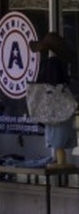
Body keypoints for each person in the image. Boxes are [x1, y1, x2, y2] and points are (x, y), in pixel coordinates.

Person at [30, 34, 77, 166]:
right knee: (59, 138)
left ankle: (60, 163)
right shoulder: (62, 64)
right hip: (62, 109)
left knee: (57, 138)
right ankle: (61, 161)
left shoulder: (51, 64)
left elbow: (49, 83)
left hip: (54, 109)